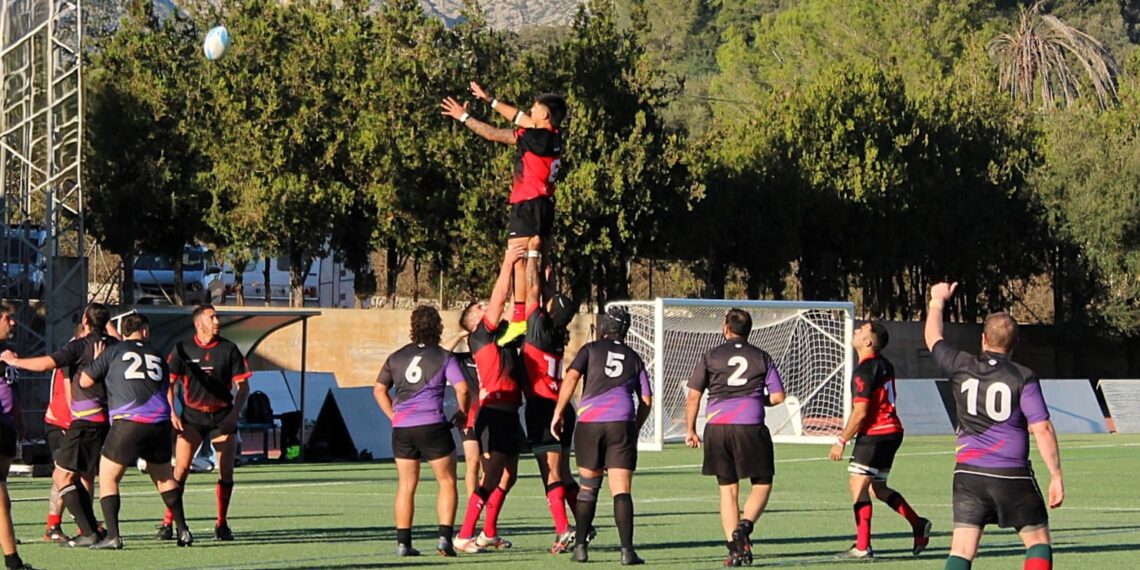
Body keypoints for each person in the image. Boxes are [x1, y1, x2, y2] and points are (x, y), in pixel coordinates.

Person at [925, 282, 1063, 570]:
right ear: (1015, 343)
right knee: (1038, 542)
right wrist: (1056, 475)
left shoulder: (960, 364)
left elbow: (933, 338)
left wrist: (937, 301)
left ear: (983, 338)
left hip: (968, 474)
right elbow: (1042, 428)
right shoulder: (1023, 376)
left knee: (962, 550)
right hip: (1011, 473)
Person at [440, 82, 567, 346]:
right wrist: (490, 100)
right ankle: (552, 318)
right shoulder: (553, 135)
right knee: (541, 263)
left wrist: (463, 117)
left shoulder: (533, 138)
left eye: (535, 108)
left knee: (518, 259)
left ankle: (520, 319)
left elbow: (493, 134)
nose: (530, 110)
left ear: (544, 114)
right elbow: (519, 117)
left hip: (527, 205)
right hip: (545, 206)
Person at [1, 303, 117, 548]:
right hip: (99, 422)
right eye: (7, 318)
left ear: (85, 321)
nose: (12, 322)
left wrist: (16, 361)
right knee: (78, 476)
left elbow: (46, 364)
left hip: (83, 420)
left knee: (62, 475)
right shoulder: (115, 346)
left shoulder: (80, 346)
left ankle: (85, 530)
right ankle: (87, 528)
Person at [79, 313, 192, 549]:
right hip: (159, 423)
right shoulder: (158, 355)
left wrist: (98, 363)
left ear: (124, 332)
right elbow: (163, 386)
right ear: (145, 331)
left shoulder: (114, 351)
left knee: (108, 477)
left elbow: (85, 381)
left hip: (129, 422)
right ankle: (183, 530)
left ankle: (113, 536)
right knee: (164, 477)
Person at [685, 308, 786, 567]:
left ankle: (735, 549)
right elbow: (778, 397)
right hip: (750, 427)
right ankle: (745, 526)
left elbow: (694, 396)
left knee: (728, 490)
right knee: (762, 483)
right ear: (749, 330)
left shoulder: (711, 355)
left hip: (717, 429)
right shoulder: (762, 356)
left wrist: (690, 430)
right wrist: (759, 400)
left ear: (726, 328)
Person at [552, 305, 652, 565]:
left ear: (605, 327)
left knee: (588, 489)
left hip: (591, 424)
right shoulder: (634, 357)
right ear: (625, 330)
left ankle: (580, 548)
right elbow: (646, 400)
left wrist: (558, 412)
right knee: (621, 490)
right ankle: (627, 551)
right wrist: (635, 426)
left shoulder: (590, 350)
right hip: (621, 425)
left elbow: (571, 378)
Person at [828, 321, 931, 559]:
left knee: (858, 485)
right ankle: (917, 523)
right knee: (877, 488)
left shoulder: (864, 371)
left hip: (876, 433)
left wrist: (841, 440)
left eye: (862, 330)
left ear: (868, 341)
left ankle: (863, 546)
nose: (856, 331)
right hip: (892, 430)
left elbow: (860, 412)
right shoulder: (884, 364)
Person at [374, 305, 471, 557]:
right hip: (432, 425)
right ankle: (444, 540)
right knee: (447, 481)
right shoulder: (443, 356)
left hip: (403, 429)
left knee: (406, 484)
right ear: (438, 327)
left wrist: (393, 416)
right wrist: (462, 412)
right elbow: (462, 389)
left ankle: (403, 544)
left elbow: (379, 389)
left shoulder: (396, 357)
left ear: (413, 327)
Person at [453, 246, 528, 554]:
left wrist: (524, 267)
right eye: (478, 308)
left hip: (510, 413)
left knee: (509, 476)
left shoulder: (504, 337)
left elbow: (519, 307)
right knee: (492, 476)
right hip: (494, 413)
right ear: (474, 323)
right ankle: (464, 535)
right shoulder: (480, 336)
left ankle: (488, 532)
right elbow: (499, 298)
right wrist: (507, 261)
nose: (485, 307)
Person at [157, 304, 252, 541]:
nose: (217, 321)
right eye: (212, 317)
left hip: (222, 416)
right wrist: (172, 413)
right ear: (199, 323)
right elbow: (169, 384)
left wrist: (233, 415)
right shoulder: (182, 349)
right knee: (180, 469)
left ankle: (222, 523)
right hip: (193, 417)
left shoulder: (229, 349)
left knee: (226, 471)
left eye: (217, 317)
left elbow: (243, 388)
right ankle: (168, 522)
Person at [519, 235, 581, 553]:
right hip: (563, 407)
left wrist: (532, 254)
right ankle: (582, 523)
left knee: (552, 474)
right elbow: (546, 292)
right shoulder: (556, 329)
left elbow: (533, 289)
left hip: (544, 408)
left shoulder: (538, 329)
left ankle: (563, 529)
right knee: (564, 473)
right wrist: (548, 257)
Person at [0, 304, 33, 568]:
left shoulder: (8, 354)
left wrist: (19, 420)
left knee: (3, 495)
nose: (12, 323)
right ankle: (12, 561)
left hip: (6, 428)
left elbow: (12, 389)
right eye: (7, 318)